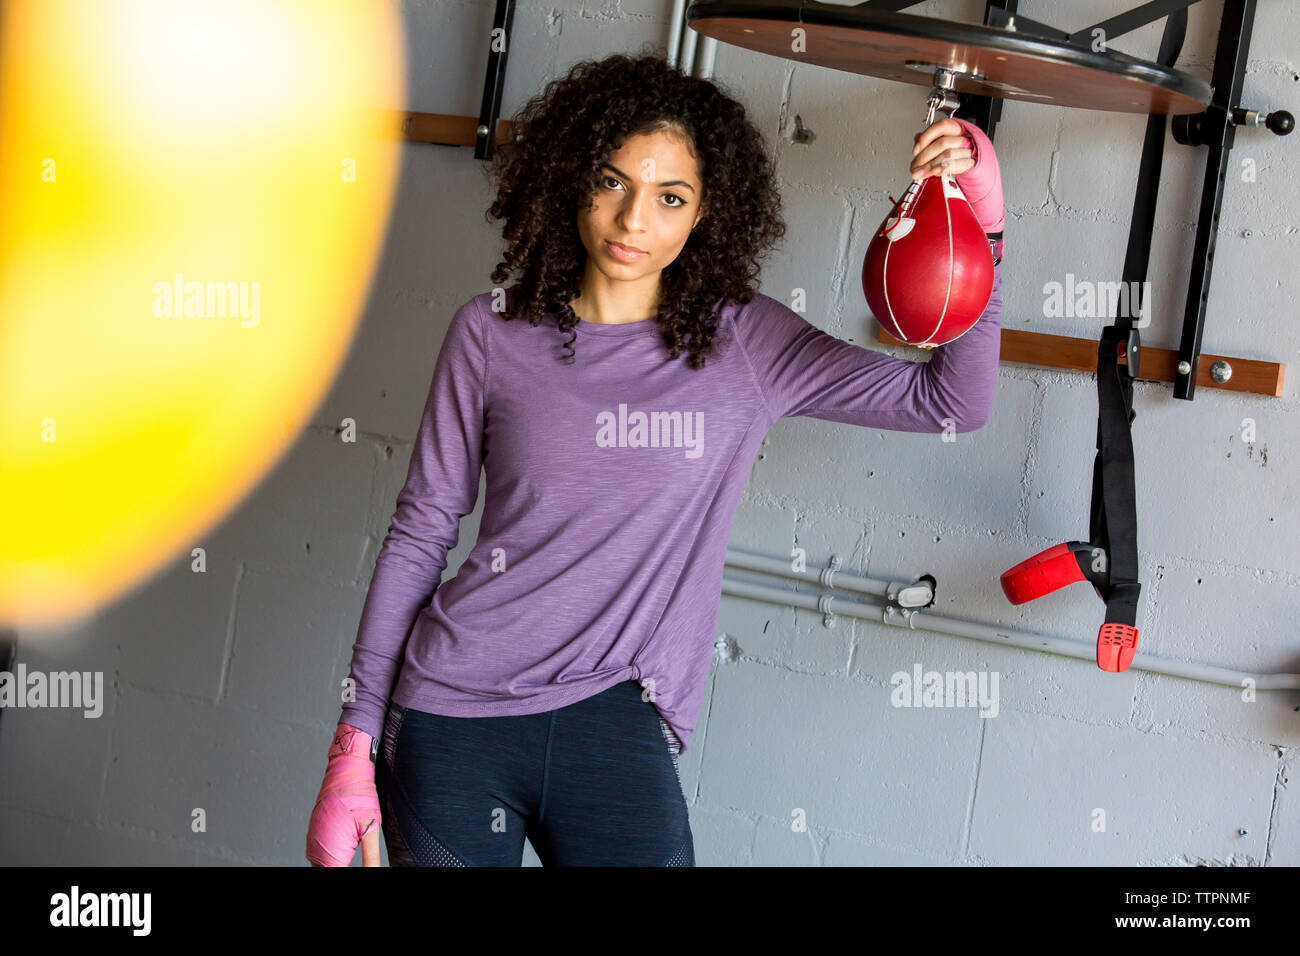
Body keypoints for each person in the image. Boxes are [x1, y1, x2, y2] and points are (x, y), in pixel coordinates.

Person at [306, 47, 1005, 867]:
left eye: (670, 197)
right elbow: (421, 533)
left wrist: (982, 224)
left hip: (615, 718)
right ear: (574, 178)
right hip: (451, 719)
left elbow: (952, 402)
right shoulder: (489, 332)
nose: (634, 221)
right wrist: (352, 744)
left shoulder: (746, 341)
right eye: (613, 183)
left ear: (706, 212)